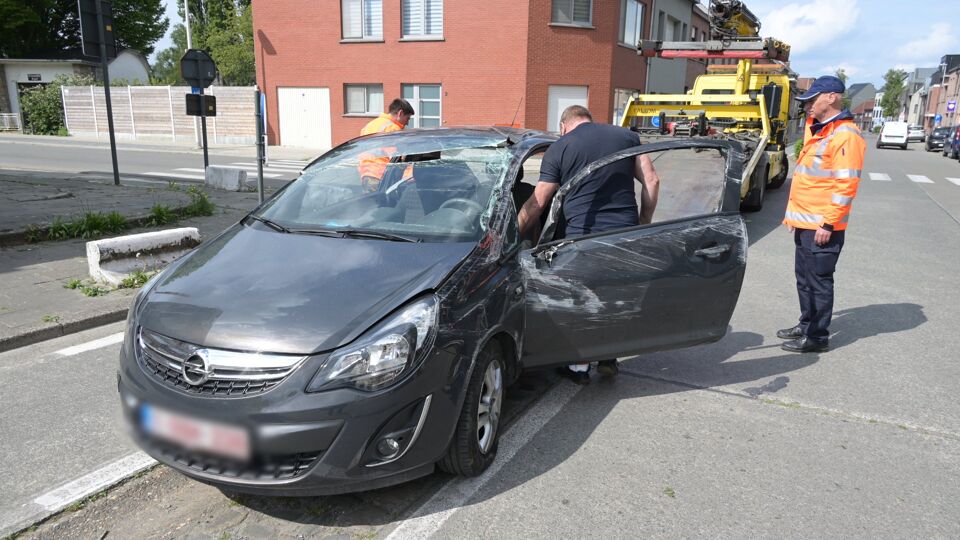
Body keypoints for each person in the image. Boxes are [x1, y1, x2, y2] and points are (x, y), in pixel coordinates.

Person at [518, 105, 660, 383]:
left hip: (582, 235)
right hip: (623, 232)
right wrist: (644, 222)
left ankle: (580, 368)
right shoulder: (626, 137)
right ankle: (608, 355)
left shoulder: (560, 147)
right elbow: (652, 180)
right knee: (614, 295)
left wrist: (513, 231)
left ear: (563, 125)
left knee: (583, 299)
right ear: (589, 120)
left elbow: (539, 201)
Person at [778, 75, 865, 353]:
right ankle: (806, 325)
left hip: (823, 227)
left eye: (811, 100)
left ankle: (817, 337)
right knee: (804, 279)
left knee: (819, 283)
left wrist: (828, 222)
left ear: (831, 97)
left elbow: (845, 184)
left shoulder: (845, 135)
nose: (807, 107)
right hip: (806, 223)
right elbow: (808, 179)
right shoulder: (820, 130)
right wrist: (793, 217)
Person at [358, 98, 416, 192]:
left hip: (366, 175)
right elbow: (399, 158)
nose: (407, 122)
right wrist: (410, 176)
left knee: (373, 205)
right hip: (382, 178)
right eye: (407, 118)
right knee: (386, 205)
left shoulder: (370, 125)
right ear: (400, 113)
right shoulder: (392, 129)